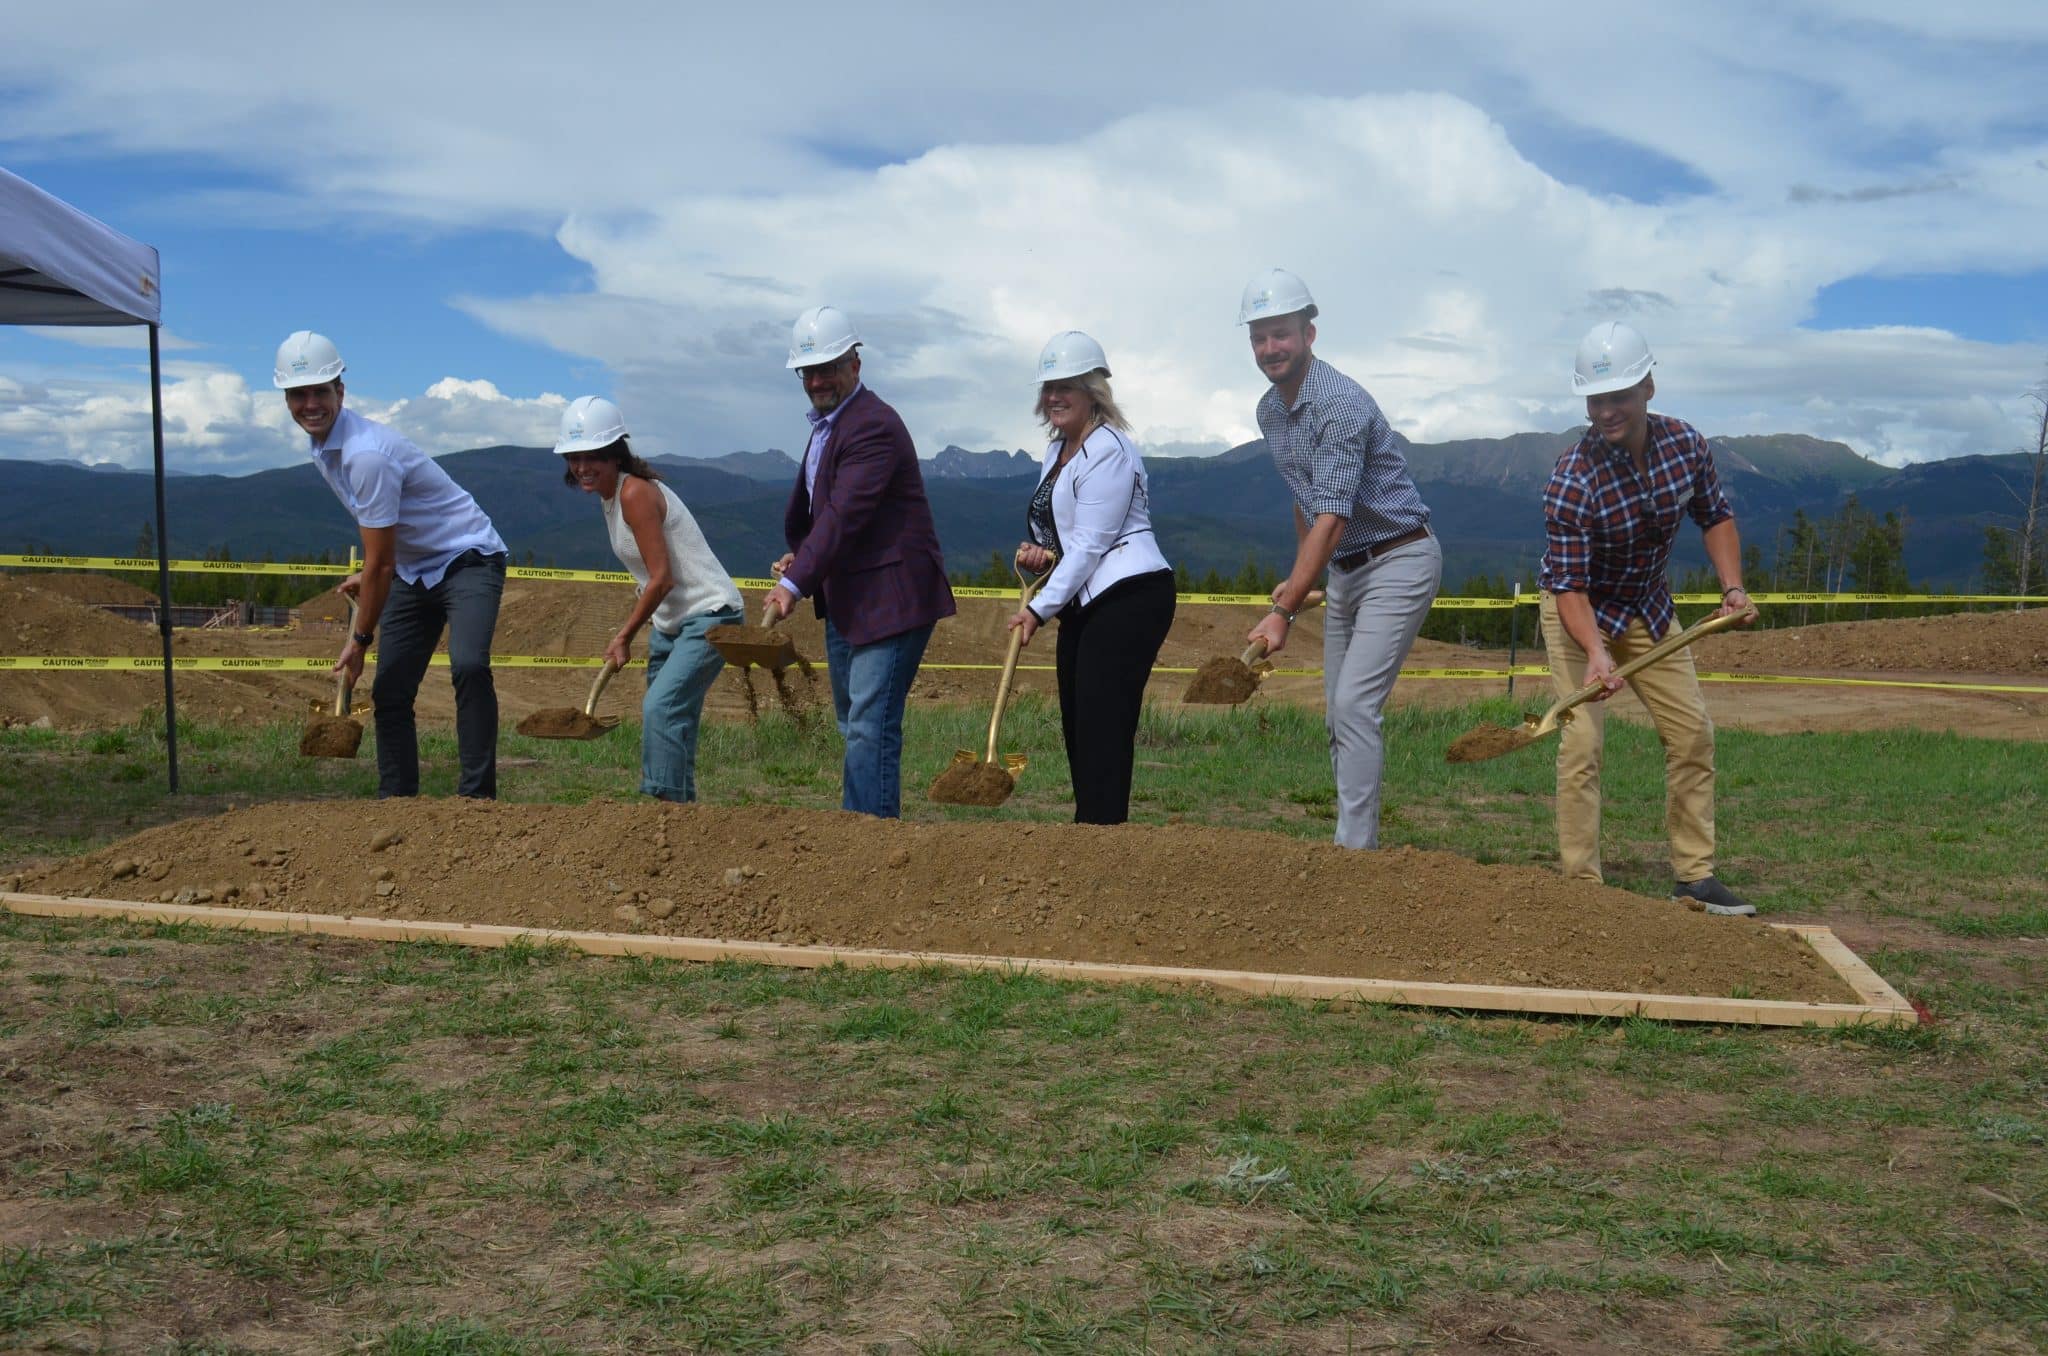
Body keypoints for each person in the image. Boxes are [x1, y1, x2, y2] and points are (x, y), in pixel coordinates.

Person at [1538, 320, 1758, 915]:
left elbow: (1715, 516)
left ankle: (1695, 877)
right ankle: (1581, 888)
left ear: (1648, 388)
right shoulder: (1572, 479)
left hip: (1649, 607)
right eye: (1596, 399)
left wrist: (1732, 587)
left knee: (1692, 734)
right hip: (1579, 613)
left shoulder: (1686, 445)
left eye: (1619, 396)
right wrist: (1596, 652)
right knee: (1582, 744)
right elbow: (1569, 585)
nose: (1606, 411)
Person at [1238, 269, 1442, 849]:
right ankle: (1355, 847)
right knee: (1338, 712)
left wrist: (1284, 612)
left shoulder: (1340, 403)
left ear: (1309, 334)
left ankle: (1353, 856)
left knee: (1355, 704)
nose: (1270, 348)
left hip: (1400, 556)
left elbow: (1333, 515)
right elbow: (1305, 500)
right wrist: (1300, 582)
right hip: (1345, 569)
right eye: (1259, 338)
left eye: (1281, 334)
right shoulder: (1270, 411)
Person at [275, 330, 507, 798]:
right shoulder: (324, 447)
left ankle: (477, 801)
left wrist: (360, 639)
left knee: (468, 665)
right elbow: (382, 550)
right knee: (391, 691)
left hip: (467, 557)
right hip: (412, 568)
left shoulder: (366, 456)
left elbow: (380, 563)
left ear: (340, 391)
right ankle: (397, 800)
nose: (310, 404)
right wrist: (376, 570)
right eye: (299, 395)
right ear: (287, 399)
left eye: (320, 392)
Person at [763, 305, 955, 818]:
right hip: (851, 597)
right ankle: (859, 837)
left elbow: (844, 515)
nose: (817, 381)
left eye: (828, 368)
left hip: (891, 600)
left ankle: (871, 843)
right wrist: (804, 556)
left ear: (855, 365)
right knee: (854, 725)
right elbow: (828, 515)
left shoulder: (872, 425)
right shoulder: (829, 426)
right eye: (808, 371)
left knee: (870, 725)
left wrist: (795, 583)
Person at [1009, 332, 1176, 825]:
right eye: (1048, 387)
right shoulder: (1056, 450)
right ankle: (1090, 839)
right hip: (1086, 600)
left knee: (1103, 726)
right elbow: (1066, 538)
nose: (1054, 397)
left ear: (1092, 391)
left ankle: (1103, 839)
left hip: (1130, 596)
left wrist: (1038, 610)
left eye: (1066, 386)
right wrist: (1042, 555)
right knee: (1079, 724)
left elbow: (1090, 544)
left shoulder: (1109, 450)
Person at [555, 396, 743, 802]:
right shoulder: (611, 497)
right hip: (672, 622)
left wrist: (623, 636)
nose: (582, 466)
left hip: (710, 614)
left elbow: (662, 579)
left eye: (592, 456)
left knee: (662, 708)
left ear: (614, 454)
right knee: (671, 717)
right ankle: (671, 809)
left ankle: (664, 811)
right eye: (574, 457)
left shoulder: (634, 494)